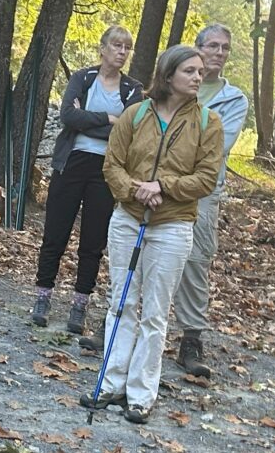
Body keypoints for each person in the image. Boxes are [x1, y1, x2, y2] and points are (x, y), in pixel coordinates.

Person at [82, 43, 224, 422]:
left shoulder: (208, 123)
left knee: (155, 313)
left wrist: (162, 186)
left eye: (200, 72)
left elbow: (206, 178)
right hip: (128, 219)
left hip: (173, 225)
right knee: (121, 303)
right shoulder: (136, 114)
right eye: (190, 71)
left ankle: (141, 395)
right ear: (168, 75)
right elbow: (112, 165)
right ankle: (110, 384)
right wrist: (136, 190)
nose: (198, 77)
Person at [31, 26, 141, 334]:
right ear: (102, 48)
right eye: (116, 45)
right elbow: (68, 116)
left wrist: (88, 120)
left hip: (107, 169)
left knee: (93, 241)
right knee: (55, 233)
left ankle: (80, 304)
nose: (122, 51)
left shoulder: (132, 89)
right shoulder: (83, 78)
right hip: (71, 162)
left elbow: (129, 129)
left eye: (127, 47)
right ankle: (42, 296)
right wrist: (108, 119)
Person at [167, 23, 249, 377]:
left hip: (202, 190)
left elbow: (218, 146)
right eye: (213, 46)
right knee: (143, 250)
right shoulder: (175, 85)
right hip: (157, 183)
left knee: (196, 258)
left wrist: (172, 151)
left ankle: (191, 339)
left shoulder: (234, 100)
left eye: (225, 48)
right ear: (198, 48)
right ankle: (118, 325)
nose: (219, 52)